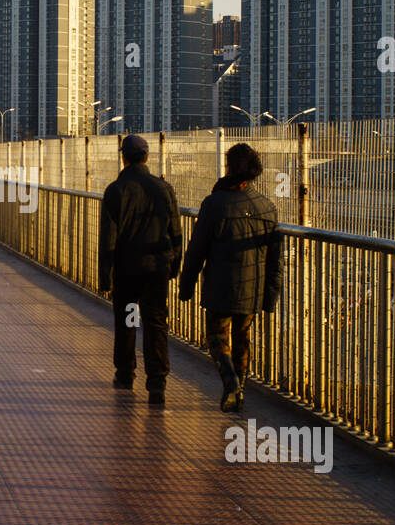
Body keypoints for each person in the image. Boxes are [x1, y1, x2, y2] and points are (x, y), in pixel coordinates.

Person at [178, 142, 282, 413]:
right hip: (252, 288)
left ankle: (230, 383)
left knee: (217, 337)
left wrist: (186, 284)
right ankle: (241, 391)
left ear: (229, 167)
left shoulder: (214, 204)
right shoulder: (267, 207)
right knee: (242, 337)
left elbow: (197, 248)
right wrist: (270, 296)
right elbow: (275, 260)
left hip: (219, 288)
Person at [98, 134, 182, 406]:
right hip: (155, 269)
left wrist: (105, 276)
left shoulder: (115, 190)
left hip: (125, 270)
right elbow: (176, 231)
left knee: (127, 320)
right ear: (147, 157)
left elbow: (107, 238)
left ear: (123, 158)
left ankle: (125, 373)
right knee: (156, 323)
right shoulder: (163, 188)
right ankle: (157, 382)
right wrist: (174, 264)